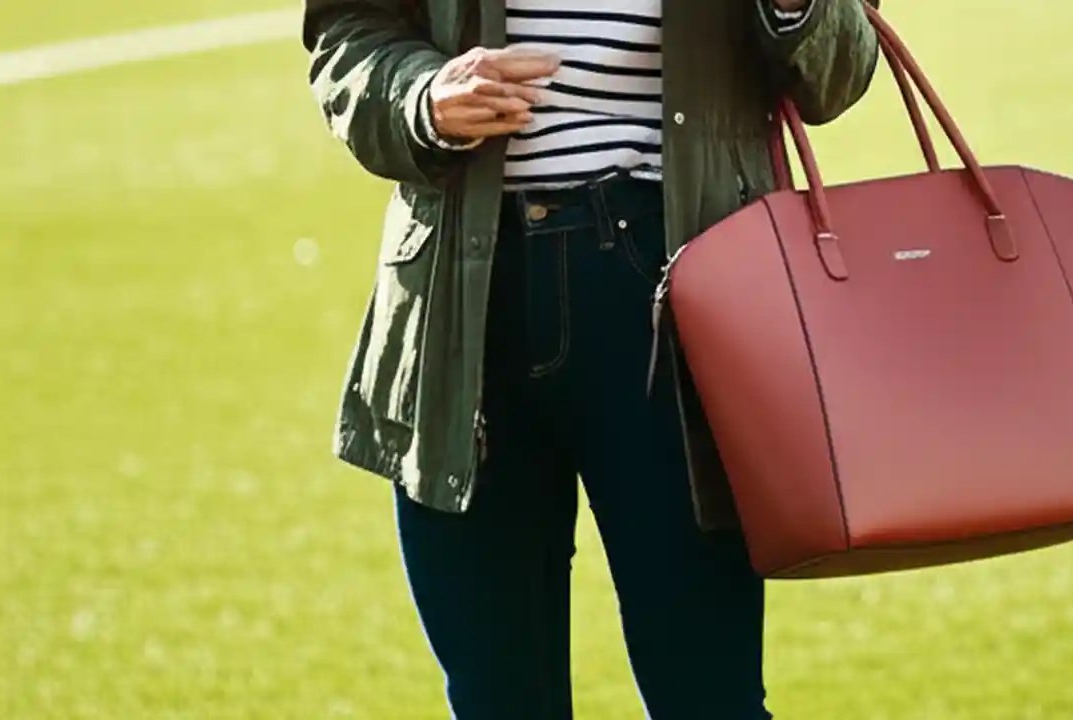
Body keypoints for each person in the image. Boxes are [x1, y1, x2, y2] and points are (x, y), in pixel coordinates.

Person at [302, 0, 880, 717]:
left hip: (681, 298)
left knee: (708, 698)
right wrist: (422, 98)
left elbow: (840, 74)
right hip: (466, 304)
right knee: (498, 700)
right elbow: (350, 30)